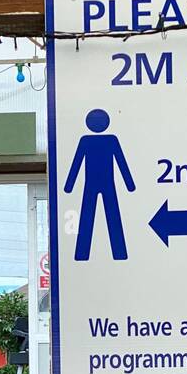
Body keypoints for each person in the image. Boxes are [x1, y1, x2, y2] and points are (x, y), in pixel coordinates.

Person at [65, 108, 135, 261]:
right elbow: (121, 162)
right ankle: (119, 253)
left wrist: (69, 186)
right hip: (105, 182)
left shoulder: (88, 140)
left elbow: (77, 163)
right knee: (111, 215)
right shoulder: (110, 140)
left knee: (88, 216)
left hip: (93, 183)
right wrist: (129, 184)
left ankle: (82, 254)